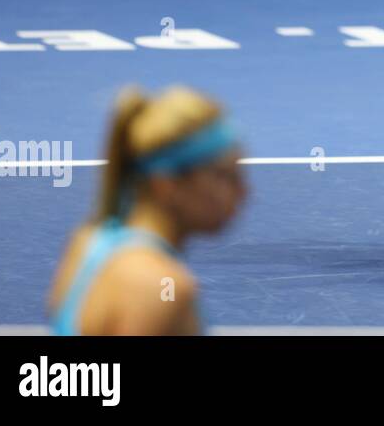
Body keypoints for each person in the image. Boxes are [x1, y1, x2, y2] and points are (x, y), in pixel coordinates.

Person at [48, 85, 245, 334]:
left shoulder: (87, 243)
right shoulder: (159, 287)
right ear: (168, 184)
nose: (243, 191)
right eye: (226, 177)